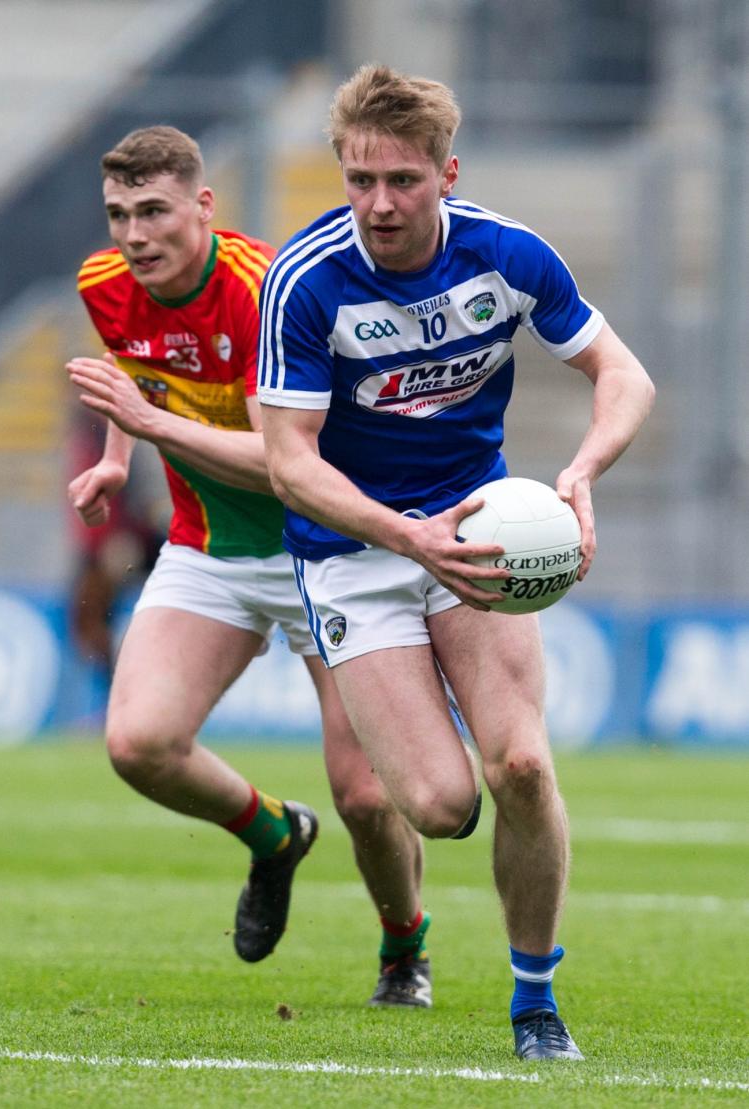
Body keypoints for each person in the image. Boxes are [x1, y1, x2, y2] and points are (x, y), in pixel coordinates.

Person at [257, 65, 655, 1060]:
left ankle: (535, 1004)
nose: (378, 204)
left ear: (447, 173)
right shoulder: (304, 282)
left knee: (520, 762)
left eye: (402, 180)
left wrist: (580, 472)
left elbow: (622, 374)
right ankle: (410, 925)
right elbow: (290, 465)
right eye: (358, 180)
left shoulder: (506, 255)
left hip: (476, 528)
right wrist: (405, 536)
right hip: (352, 553)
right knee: (439, 805)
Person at [66, 125, 437, 1000]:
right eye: (119, 214)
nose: (134, 235)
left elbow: (284, 464)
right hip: (211, 548)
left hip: (326, 551)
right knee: (138, 743)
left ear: (204, 205)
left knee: (366, 797)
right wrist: (119, 456)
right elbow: (135, 370)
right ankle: (275, 836)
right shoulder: (104, 282)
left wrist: (149, 425)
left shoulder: (266, 291)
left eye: (153, 211)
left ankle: (403, 946)